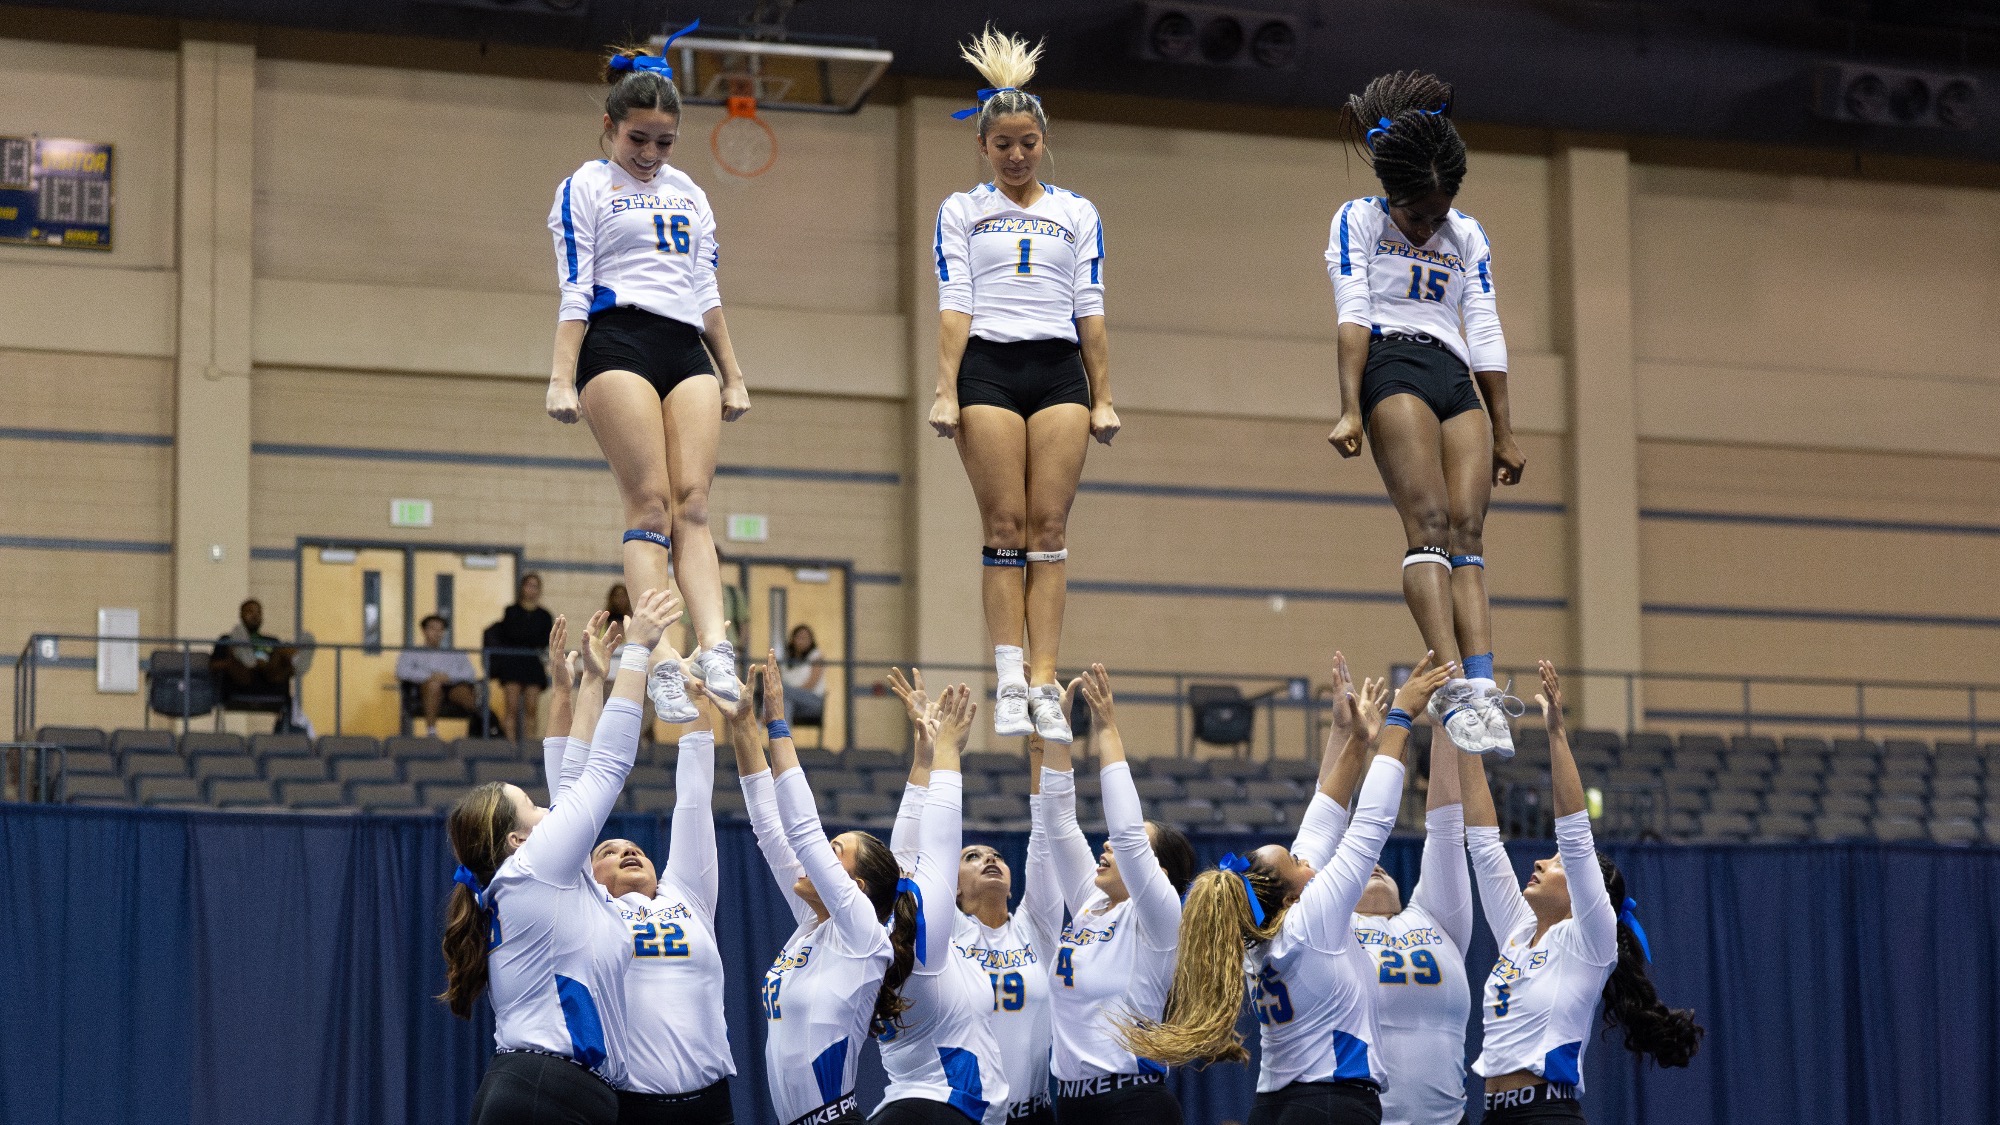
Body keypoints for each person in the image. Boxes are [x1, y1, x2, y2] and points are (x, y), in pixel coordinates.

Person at [1119, 654, 1453, 1125]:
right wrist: (1400, 718)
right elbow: (1370, 823)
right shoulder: (1311, 920)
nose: (1306, 859)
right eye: (1297, 861)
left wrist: (1354, 740)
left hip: (1275, 1106)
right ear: (1293, 893)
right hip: (1332, 1104)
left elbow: (1322, 819)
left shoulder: (1268, 926)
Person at [545, 28, 753, 727]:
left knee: (694, 502)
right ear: (610, 127)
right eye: (639, 140)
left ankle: (714, 644)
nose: (651, 155)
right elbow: (575, 288)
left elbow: (707, 288)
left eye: (664, 143)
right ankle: (661, 654)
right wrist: (561, 376)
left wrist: (732, 373)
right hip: (616, 339)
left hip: (683, 343)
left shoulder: (688, 191)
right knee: (652, 506)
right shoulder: (585, 186)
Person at [1323, 71, 1524, 756]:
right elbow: (1352, 311)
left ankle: (1483, 687)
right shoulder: (1359, 220)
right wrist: (1349, 407)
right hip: (1393, 361)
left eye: (1439, 214)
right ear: (1393, 190)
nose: (1430, 225)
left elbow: (1486, 325)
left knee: (1469, 531)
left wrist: (1505, 427)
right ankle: (1447, 681)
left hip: (1453, 371)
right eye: (1419, 215)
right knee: (1430, 523)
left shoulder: (1466, 234)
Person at [929, 26, 1117, 743]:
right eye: (1002, 144)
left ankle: (1044, 677)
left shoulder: (1077, 213)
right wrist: (947, 388)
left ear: (1044, 141)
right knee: (1004, 525)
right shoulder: (962, 209)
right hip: (990, 369)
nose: (1015, 156)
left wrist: (1103, 393)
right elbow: (956, 305)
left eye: (1027, 143)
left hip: (1058, 369)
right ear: (983, 146)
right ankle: (1009, 675)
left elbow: (1091, 310)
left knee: (1049, 528)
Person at [440, 592, 682, 1125]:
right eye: (530, 805)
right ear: (517, 840)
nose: (545, 803)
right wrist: (636, 653)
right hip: (547, 1091)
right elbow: (604, 771)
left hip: (544, 1090)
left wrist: (586, 683)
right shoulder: (533, 871)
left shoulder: (539, 878)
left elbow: (572, 776)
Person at [1465, 662, 1704, 1123]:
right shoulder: (1518, 932)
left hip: (1548, 1116)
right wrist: (1464, 734)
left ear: (1583, 894)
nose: (1538, 863)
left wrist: (1556, 735)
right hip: (1492, 1114)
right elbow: (1483, 844)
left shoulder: (1589, 942)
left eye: (1554, 864)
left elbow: (1575, 838)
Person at [735, 652, 920, 1125]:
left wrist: (778, 720)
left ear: (854, 887)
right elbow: (768, 828)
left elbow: (800, 830)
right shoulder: (810, 928)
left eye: (834, 850)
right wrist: (741, 728)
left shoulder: (863, 935)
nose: (815, 855)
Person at [1295, 654, 1474, 1125]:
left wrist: (1443, 727)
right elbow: (1322, 834)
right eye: (1361, 867)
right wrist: (1341, 735)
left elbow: (1446, 831)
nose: (1372, 865)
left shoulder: (1436, 919)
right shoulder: (1332, 929)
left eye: (1382, 867)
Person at [886, 668, 1058, 1125]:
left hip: (1035, 1114)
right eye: (971, 855)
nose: (989, 859)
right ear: (953, 885)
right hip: (970, 1114)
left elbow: (1044, 839)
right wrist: (927, 757)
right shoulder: (947, 934)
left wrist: (1041, 748)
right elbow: (904, 859)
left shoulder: (1034, 927)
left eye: (997, 855)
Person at [1035, 665, 1194, 1125]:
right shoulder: (1091, 902)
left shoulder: (1161, 918)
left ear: (1156, 872)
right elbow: (1059, 823)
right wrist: (1057, 735)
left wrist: (1108, 730)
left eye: (1130, 848)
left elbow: (1125, 830)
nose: (1107, 844)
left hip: (1134, 1102)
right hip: (1073, 1104)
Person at [855, 676, 1008, 1124]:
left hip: (932, 1105)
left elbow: (904, 854)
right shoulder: (914, 939)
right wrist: (947, 752)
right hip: (938, 1106)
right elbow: (938, 840)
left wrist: (923, 756)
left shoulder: (889, 927)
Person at [589, 686, 733, 1123]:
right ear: (587, 873)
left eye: (635, 849)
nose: (627, 852)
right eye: (608, 852)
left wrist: (696, 698)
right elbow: (572, 792)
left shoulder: (686, 894)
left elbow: (693, 796)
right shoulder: (589, 907)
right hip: (631, 1106)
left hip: (711, 1104)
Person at [489, 573, 556, 741]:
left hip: (532, 662)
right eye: (528, 585)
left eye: (535, 586)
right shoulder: (511, 611)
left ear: (539, 590)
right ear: (522, 588)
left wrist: (526, 638)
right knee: (511, 708)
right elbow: (510, 634)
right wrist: (526, 638)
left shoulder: (544, 615)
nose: (531, 590)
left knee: (531, 708)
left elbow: (543, 639)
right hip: (513, 662)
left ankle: (528, 744)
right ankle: (510, 746)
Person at [398, 614, 481, 737]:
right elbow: (402, 672)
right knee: (434, 685)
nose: (437, 633)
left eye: (440, 629)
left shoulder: (456, 653)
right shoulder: (412, 652)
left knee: (466, 694)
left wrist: (448, 676)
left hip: (452, 686)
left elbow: (470, 673)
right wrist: (430, 676)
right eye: (433, 629)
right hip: (424, 688)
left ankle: (479, 728)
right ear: (424, 631)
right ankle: (431, 732)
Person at [215, 598, 296, 694]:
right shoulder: (227, 639)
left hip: (269, 679)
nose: (255, 615)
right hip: (241, 681)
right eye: (250, 611)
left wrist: (265, 663)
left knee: (283, 652)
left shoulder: (271, 640)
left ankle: (298, 660)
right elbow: (213, 665)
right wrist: (232, 661)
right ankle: (244, 654)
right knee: (237, 653)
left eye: (259, 612)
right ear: (241, 615)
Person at [780, 625, 827, 726]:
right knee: (786, 703)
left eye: (806, 638)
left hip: (812, 701)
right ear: (793, 639)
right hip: (793, 703)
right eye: (800, 637)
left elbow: (811, 685)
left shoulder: (816, 656)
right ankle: (786, 740)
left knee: (780, 690)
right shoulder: (785, 658)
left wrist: (791, 692)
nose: (803, 641)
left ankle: (761, 718)